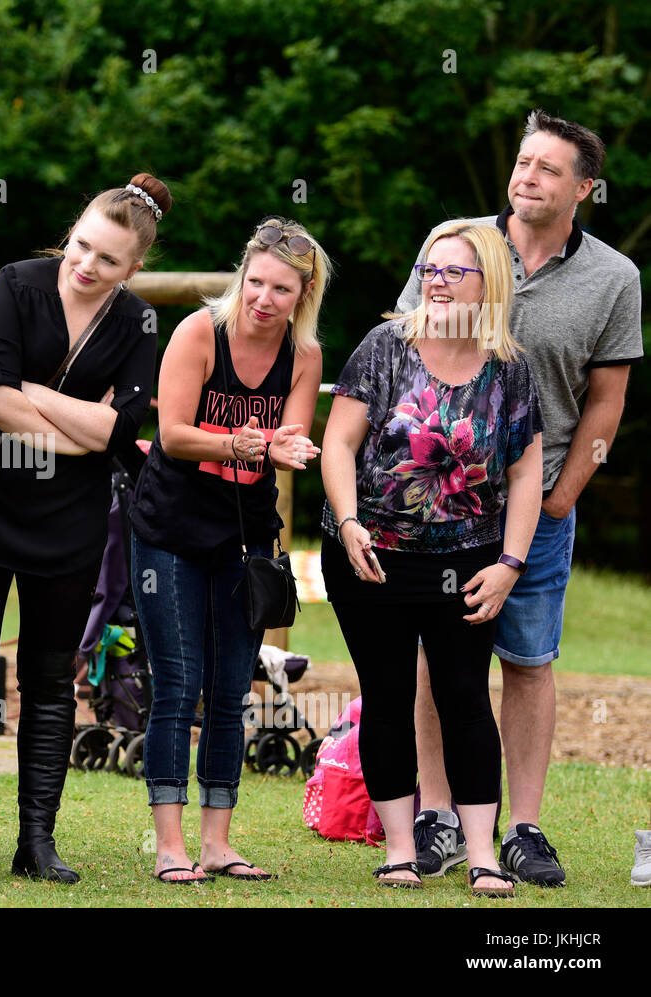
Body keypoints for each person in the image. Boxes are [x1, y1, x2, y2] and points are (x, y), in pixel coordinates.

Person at [397, 111, 643, 887]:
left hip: (540, 505)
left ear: (584, 188)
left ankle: (525, 829)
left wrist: (566, 492)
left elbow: (607, 399)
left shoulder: (615, 279)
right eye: (522, 161)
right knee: (439, 662)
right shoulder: (457, 246)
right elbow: (408, 346)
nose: (526, 176)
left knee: (529, 662)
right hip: (444, 498)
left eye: (546, 167)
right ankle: (436, 818)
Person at [0, 174, 170, 884]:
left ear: (133, 269)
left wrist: (39, 399)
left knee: (48, 675)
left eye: (107, 259)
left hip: (69, 518)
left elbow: (119, 427)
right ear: (73, 230)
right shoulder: (17, 282)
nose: (87, 264)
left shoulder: (137, 322)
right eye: (83, 245)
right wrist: (74, 420)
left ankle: (37, 837)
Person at [321, 221, 542, 897]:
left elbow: (527, 470)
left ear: (490, 284)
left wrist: (510, 563)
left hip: (469, 563)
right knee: (386, 699)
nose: (436, 281)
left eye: (453, 271)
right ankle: (398, 850)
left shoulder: (510, 367)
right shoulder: (385, 348)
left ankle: (483, 855)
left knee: (466, 699)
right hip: (372, 557)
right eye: (430, 269)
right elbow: (337, 443)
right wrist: (351, 523)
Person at [129, 218, 328, 883]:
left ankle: (218, 840)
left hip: (244, 531)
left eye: (280, 288)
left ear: (302, 295)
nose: (263, 298)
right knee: (178, 683)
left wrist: (292, 448)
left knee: (230, 690)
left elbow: (291, 436)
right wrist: (242, 443)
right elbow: (175, 433)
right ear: (241, 274)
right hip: (172, 523)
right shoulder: (197, 333)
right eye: (255, 281)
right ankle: (170, 843)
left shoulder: (304, 355)